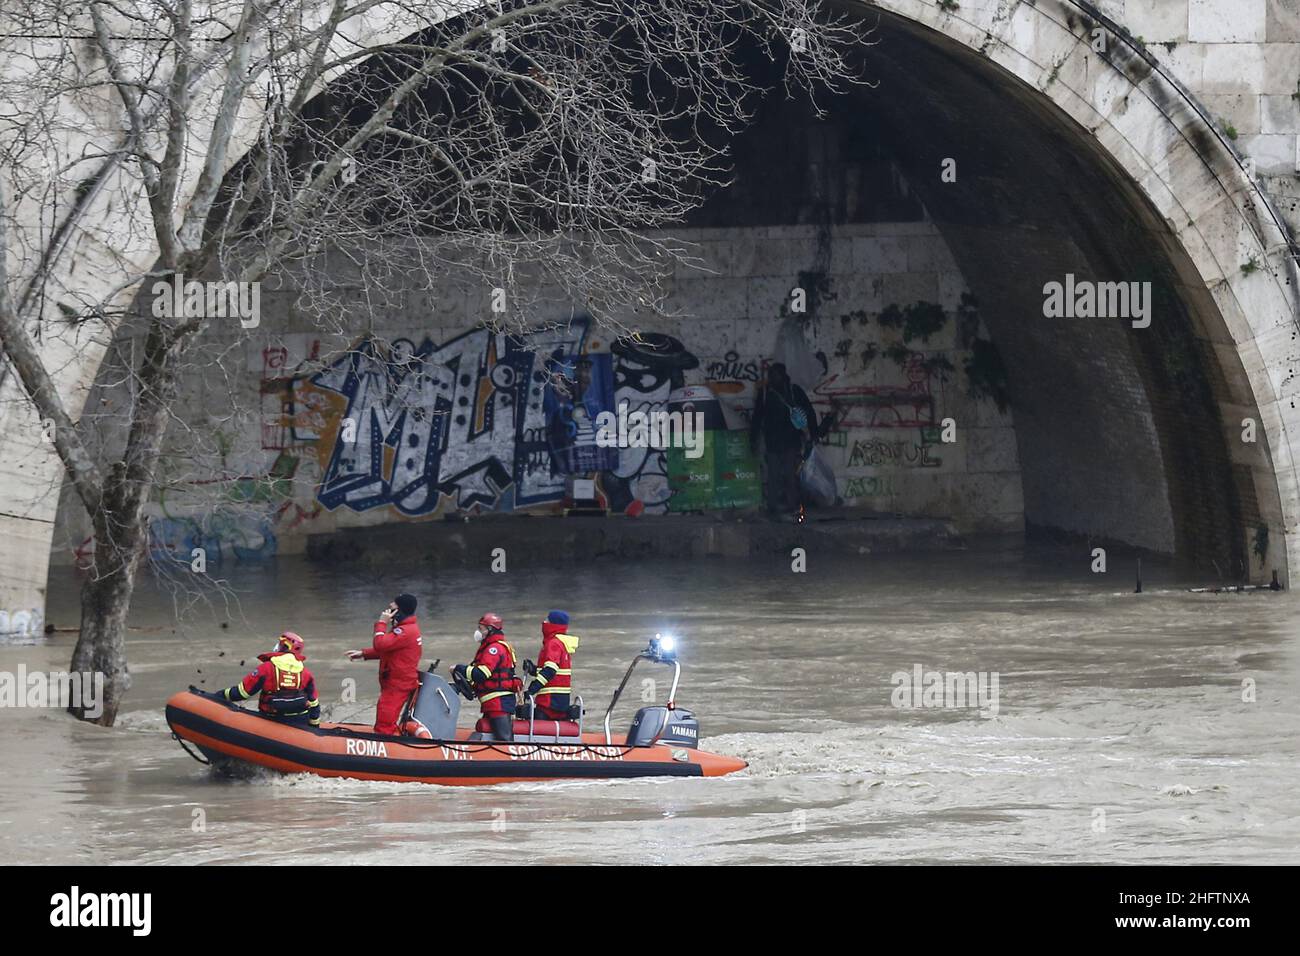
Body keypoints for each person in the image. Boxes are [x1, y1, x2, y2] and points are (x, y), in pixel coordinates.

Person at [345, 593, 422, 736]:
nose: (388, 611)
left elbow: (380, 644)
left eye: (392, 608)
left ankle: (386, 747)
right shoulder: (407, 629)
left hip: (398, 685)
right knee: (384, 717)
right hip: (396, 683)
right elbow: (389, 650)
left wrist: (382, 623)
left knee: (384, 723)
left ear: (400, 611)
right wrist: (363, 654)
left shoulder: (405, 631)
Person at [749, 362, 819, 516]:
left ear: (782, 375)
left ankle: (790, 507)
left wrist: (813, 434)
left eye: (774, 375)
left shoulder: (792, 391)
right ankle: (778, 507)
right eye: (771, 375)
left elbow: (808, 412)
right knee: (776, 476)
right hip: (776, 441)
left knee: (786, 475)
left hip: (788, 441)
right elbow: (757, 418)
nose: (772, 378)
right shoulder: (768, 393)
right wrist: (753, 439)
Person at [219, 632, 321, 727]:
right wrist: (314, 728)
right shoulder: (306, 673)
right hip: (300, 722)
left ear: (284, 646)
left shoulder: (266, 668)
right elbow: (314, 704)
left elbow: (242, 693)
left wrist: (218, 696)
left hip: (270, 721)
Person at [453, 613, 520, 741]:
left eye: (481, 628)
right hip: (492, 703)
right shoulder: (491, 647)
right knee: (492, 735)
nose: (478, 632)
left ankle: (508, 759)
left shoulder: (493, 649)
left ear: (490, 630)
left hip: (498, 703)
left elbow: (481, 674)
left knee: (504, 738)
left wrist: (459, 668)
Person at [520, 610, 580, 722]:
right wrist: (533, 669)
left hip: (549, 702)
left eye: (547, 620)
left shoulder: (553, 643)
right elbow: (555, 671)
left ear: (554, 624)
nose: (544, 622)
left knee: (537, 730)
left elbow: (550, 670)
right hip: (561, 701)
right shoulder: (562, 644)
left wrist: (532, 689)